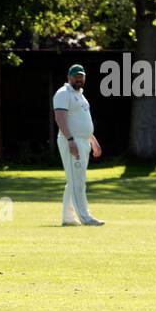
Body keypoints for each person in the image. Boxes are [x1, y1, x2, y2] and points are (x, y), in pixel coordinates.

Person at [53, 64, 104, 226]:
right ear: (69, 77)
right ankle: (85, 217)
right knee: (78, 181)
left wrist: (93, 141)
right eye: (76, 76)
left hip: (83, 141)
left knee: (74, 180)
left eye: (81, 76)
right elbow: (60, 118)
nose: (79, 79)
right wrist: (70, 140)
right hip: (72, 141)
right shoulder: (63, 93)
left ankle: (68, 218)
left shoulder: (80, 95)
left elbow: (83, 122)